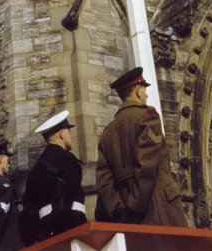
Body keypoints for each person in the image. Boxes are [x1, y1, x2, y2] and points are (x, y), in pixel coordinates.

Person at [95, 67, 187, 227]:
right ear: (137, 91)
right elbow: (147, 166)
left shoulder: (107, 134)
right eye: (144, 90)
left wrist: (119, 212)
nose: (146, 95)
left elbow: (104, 182)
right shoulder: (148, 117)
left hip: (126, 218)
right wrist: (135, 208)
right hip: (157, 207)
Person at [19, 110, 87, 246]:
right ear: (61, 134)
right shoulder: (68, 161)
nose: (71, 135)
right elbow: (68, 197)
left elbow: (29, 210)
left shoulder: (36, 169)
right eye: (69, 131)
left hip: (46, 235)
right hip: (72, 230)